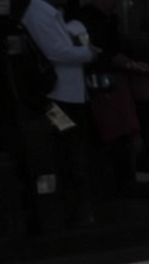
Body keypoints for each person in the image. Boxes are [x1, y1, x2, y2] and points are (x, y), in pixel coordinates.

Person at [20, 0, 100, 225]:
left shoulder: (55, 14)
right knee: (67, 151)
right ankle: (69, 210)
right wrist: (87, 54)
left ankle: (75, 208)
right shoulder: (39, 13)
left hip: (72, 94)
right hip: (57, 97)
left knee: (74, 149)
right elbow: (55, 51)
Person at [72, 0, 149, 195]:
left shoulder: (110, 19)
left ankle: (122, 179)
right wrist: (127, 64)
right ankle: (119, 181)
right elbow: (102, 52)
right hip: (99, 82)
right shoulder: (86, 20)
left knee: (121, 131)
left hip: (109, 80)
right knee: (115, 130)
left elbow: (112, 50)